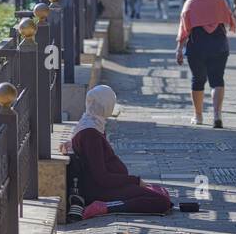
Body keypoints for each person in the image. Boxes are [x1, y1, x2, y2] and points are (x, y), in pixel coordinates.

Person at [68, 84, 172, 219]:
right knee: (161, 201)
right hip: (101, 190)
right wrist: (135, 181)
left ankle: (117, 201)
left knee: (161, 192)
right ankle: (105, 207)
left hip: (109, 186)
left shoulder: (91, 124)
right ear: (106, 104)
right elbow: (102, 178)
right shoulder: (90, 133)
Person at [176, 0, 236, 127]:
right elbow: (230, 21)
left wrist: (179, 49)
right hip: (219, 45)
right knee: (217, 79)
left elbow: (184, 29)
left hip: (197, 45)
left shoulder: (190, 3)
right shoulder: (220, 1)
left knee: (198, 80)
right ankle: (217, 115)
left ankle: (198, 116)